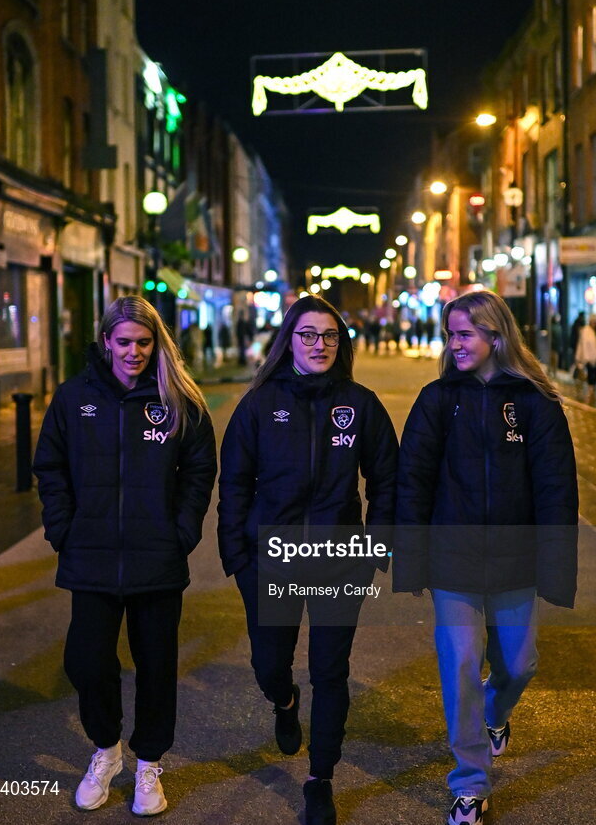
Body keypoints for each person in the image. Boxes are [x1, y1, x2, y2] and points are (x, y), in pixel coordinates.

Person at [393, 290, 578, 825]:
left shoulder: (536, 401)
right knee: (461, 664)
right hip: (453, 562)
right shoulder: (436, 399)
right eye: (450, 335)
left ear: (496, 337)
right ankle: (470, 784)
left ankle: (494, 713)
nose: (454, 344)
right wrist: (412, 558)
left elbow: (556, 489)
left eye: (464, 334)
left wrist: (554, 565)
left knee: (518, 665)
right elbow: (413, 482)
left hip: (515, 562)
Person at [33, 296, 217, 816]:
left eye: (143, 342)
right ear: (106, 342)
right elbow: (50, 466)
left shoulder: (178, 397)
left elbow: (200, 469)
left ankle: (149, 764)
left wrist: (181, 531)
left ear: (156, 343)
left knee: (156, 665)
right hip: (90, 555)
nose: (134, 352)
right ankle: (107, 750)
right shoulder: (75, 397)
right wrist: (63, 529)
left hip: (156, 556)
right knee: (86, 661)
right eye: (124, 342)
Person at [218, 295, 397, 825]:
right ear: (289, 342)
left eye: (330, 335)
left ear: (341, 342)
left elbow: (388, 480)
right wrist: (238, 557)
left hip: (339, 561)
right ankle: (284, 701)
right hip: (270, 562)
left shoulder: (361, 404)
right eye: (308, 335)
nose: (320, 345)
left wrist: (375, 548)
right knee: (268, 666)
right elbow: (234, 484)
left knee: (331, 671)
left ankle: (321, 779)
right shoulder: (258, 404)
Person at [574, 313, 596, 405]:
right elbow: (582, 345)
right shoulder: (586, 331)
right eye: (592, 322)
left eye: (595, 322)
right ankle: (591, 390)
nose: (594, 323)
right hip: (589, 357)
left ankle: (592, 389)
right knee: (591, 374)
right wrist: (582, 357)